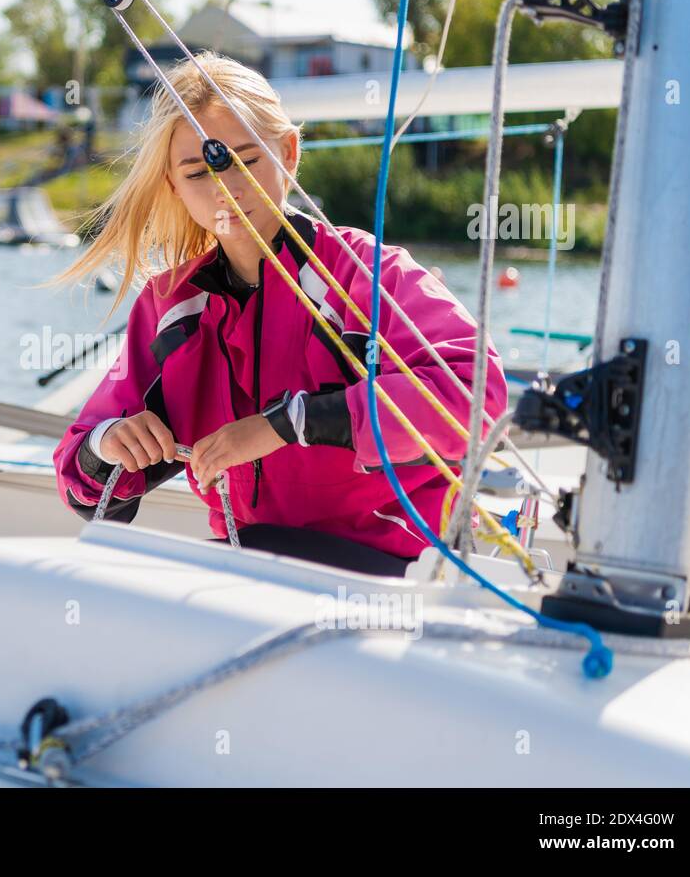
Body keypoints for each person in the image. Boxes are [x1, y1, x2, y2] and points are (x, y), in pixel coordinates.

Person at [49, 53, 507, 576]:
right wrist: (105, 446)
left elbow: (478, 398)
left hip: (399, 569)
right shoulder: (169, 307)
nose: (227, 189)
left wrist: (291, 424)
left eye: (244, 160)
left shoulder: (367, 275)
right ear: (174, 187)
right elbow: (84, 488)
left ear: (288, 154)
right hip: (258, 566)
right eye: (198, 172)